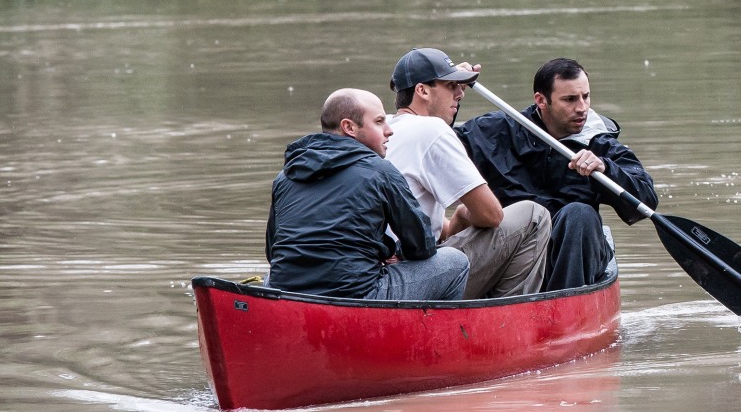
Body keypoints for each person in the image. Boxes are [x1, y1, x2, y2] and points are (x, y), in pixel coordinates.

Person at [456, 57, 658, 291]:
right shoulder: (493, 132)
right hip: (512, 257)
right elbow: (432, 147)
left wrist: (606, 168)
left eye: (586, 96)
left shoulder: (600, 144)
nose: (582, 108)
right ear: (541, 101)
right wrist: (451, 91)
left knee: (579, 214)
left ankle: (565, 305)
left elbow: (646, 201)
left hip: (573, 259)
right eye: (570, 99)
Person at [265, 87, 469, 300]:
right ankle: (430, 333)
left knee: (271, 276)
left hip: (289, 295)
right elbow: (422, 247)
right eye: (380, 122)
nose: (389, 130)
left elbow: (273, 252)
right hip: (357, 295)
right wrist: (391, 252)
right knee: (455, 262)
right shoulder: (381, 171)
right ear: (349, 127)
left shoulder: (285, 176)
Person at [385, 48, 551, 299]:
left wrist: (458, 222)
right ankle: (505, 319)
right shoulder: (432, 130)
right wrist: (464, 213)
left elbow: (420, 219)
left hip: (387, 271)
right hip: (407, 275)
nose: (460, 94)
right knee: (533, 216)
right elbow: (491, 215)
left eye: (461, 86)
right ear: (422, 91)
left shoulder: (382, 129)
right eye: (451, 85)